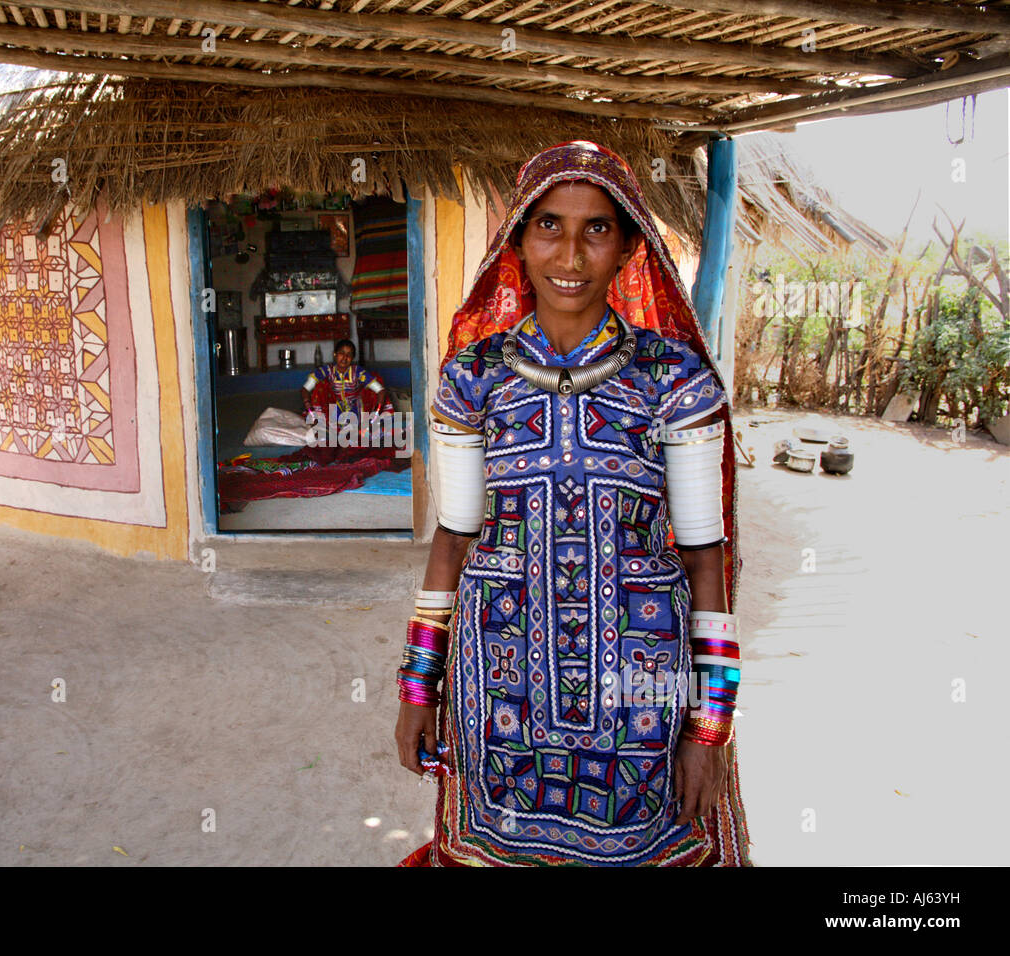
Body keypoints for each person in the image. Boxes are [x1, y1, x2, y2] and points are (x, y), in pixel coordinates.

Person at [394, 140, 752, 866]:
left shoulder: (671, 379)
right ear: (518, 242)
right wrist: (416, 685)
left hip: (641, 688)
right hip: (496, 684)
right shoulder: (473, 379)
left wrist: (708, 725)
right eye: (549, 225)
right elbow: (454, 539)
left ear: (627, 249)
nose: (570, 251)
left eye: (596, 229)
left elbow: (702, 554)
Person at [299, 338, 396, 464]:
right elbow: (305, 389)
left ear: (352, 358)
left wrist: (374, 416)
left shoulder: (358, 372)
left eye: (349, 355)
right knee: (319, 387)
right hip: (333, 412)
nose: (344, 358)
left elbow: (381, 391)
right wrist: (310, 410)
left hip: (355, 412)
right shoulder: (326, 371)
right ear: (335, 354)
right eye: (341, 353)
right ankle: (325, 428)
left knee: (375, 382)